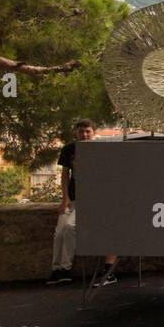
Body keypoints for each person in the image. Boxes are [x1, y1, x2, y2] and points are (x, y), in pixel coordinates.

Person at [46, 119, 118, 286]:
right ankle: (57, 270)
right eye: (81, 132)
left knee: (71, 227)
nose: (84, 135)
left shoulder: (100, 151)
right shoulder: (69, 150)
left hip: (90, 200)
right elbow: (65, 176)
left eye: (88, 132)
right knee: (59, 232)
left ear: (94, 133)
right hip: (73, 198)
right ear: (76, 133)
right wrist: (65, 199)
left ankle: (65, 267)